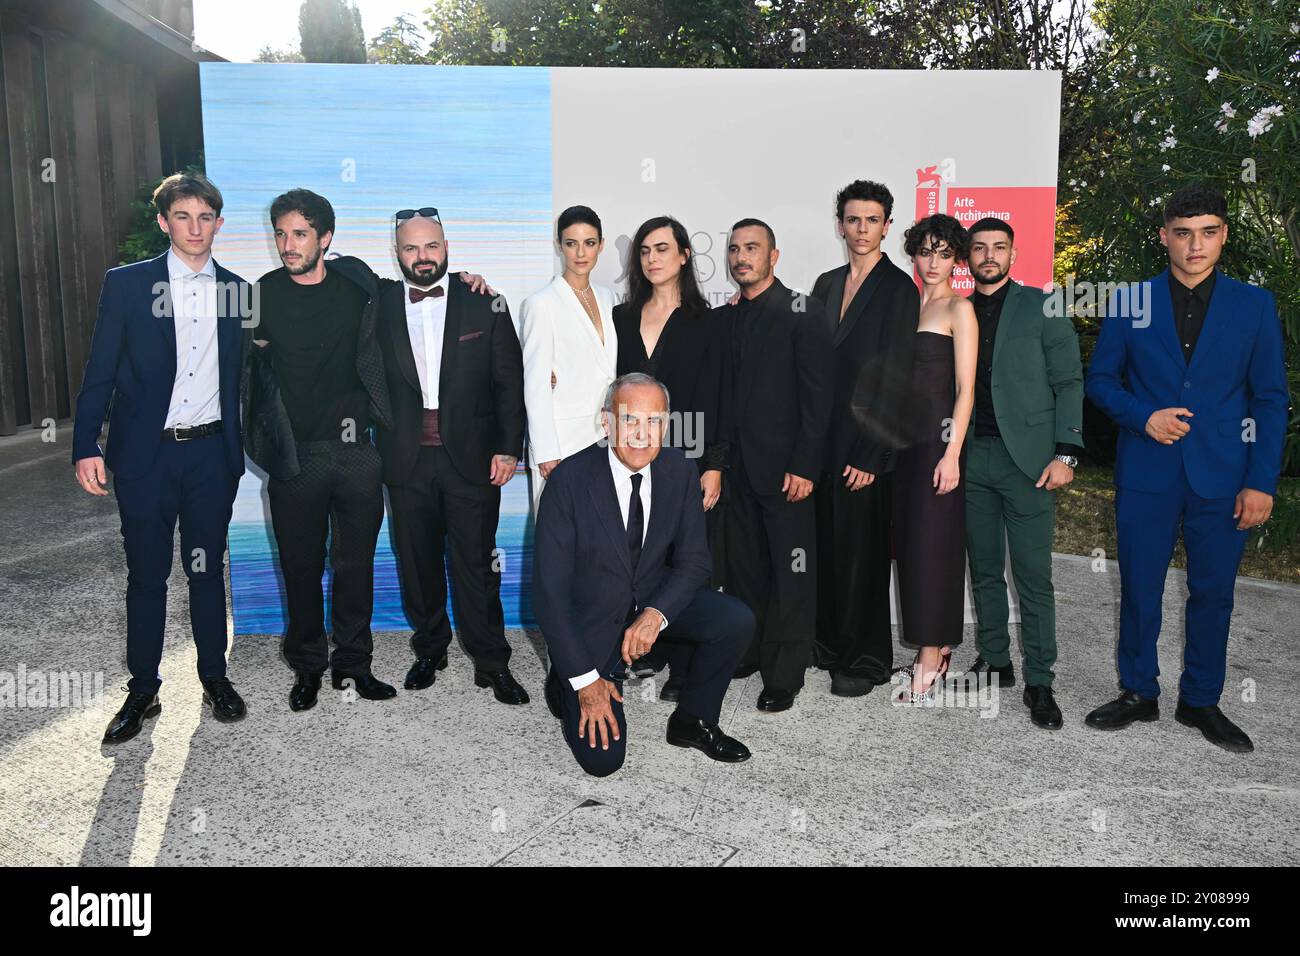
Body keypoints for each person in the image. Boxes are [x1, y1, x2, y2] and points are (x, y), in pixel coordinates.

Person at [1084, 183, 1288, 752]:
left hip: (1225, 475)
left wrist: (1260, 481)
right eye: (1182, 233)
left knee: (1214, 592)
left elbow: (1270, 399)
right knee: (1140, 586)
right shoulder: (1131, 300)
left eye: (1207, 232)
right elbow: (1101, 381)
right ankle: (1138, 693)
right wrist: (1143, 415)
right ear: (1163, 237)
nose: (1195, 245)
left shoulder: (1255, 306)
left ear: (1223, 233)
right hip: (1148, 469)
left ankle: (1200, 700)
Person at [74, 172, 250, 742]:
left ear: (218, 223)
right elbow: (100, 370)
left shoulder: (239, 292)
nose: (195, 229)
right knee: (146, 576)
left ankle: (214, 676)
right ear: (163, 222)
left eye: (206, 217)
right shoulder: (127, 285)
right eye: (183, 217)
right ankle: (143, 690)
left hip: (210, 458)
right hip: (145, 457)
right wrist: (84, 445)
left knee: (204, 571)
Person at [534, 373, 754, 777]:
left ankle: (692, 722)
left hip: (650, 596)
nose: (641, 433)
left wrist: (656, 613)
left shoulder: (678, 469)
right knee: (604, 762)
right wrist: (585, 682)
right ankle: (563, 679)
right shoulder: (568, 482)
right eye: (630, 419)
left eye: (653, 421)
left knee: (734, 619)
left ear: (666, 425)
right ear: (607, 423)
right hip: (592, 620)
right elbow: (550, 596)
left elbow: (694, 562)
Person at [242, 188, 397, 712]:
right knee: (301, 566)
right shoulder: (262, 294)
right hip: (295, 456)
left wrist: (468, 281)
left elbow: (415, 294)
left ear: (325, 238)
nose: (287, 244)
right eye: (281, 234)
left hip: (357, 454)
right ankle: (308, 666)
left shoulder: (359, 285)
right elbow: (238, 364)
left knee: (356, 566)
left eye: (299, 234)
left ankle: (354, 664)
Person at [373, 207, 529, 704]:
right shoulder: (376, 303)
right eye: (411, 248)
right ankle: (429, 649)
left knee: (477, 565)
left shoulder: (487, 302)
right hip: (405, 459)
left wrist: (509, 449)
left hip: (474, 459)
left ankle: (491, 661)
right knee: (416, 563)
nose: (423, 257)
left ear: (447, 248)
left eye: (431, 246)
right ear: (397, 254)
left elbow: (509, 383)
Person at [960, 217, 1084, 730]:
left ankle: (1041, 680)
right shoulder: (956, 309)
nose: (989, 255)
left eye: (999, 247)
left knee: (1033, 576)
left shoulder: (1043, 304)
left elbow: (1070, 382)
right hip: (971, 459)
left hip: (1029, 462)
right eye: (980, 248)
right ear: (968, 256)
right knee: (984, 569)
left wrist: (1066, 455)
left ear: (1013, 253)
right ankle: (995, 660)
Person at [809, 180, 920, 697]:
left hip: (865, 448)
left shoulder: (899, 289)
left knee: (864, 554)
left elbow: (900, 375)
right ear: (840, 225)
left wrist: (873, 453)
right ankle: (829, 646)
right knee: (827, 547)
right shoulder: (826, 284)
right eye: (852, 219)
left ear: (886, 227)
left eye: (871, 220)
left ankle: (868, 658)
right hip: (824, 441)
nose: (861, 229)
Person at [718, 219, 833, 712]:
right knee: (744, 570)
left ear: (774, 256)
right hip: (737, 473)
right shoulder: (728, 317)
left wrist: (805, 465)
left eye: (753, 248)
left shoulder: (802, 312)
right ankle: (748, 651)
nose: (743, 256)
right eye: (735, 249)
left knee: (791, 572)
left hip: (787, 471)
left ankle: (785, 674)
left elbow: (819, 398)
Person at [613, 215, 731, 702]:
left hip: (687, 454)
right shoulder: (621, 316)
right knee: (637, 555)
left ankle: (683, 665)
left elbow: (722, 396)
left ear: (685, 255)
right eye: (645, 251)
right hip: (631, 454)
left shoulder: (709, 322)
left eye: (663, 249)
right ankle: (642, 651)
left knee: (685, 558)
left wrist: (714, 464)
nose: (653, 259)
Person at [892, 214, 977, 702]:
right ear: (914, 253)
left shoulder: (958, 308)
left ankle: (932, 657)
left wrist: (953, 454)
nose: (933, 261)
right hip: (903, 448)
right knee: (911, 550)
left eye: (944, 253)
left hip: (937, 448)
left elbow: (965, 390)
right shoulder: (906, 305)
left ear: (956, 259)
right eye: (926, 251)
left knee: (934, 551)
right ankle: (935, 645)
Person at [519, 205, 618, 511]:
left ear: (601, 245)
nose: (580, 253)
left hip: (605, 437)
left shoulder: (608, 297)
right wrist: (546, 450)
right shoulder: (540, 304)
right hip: (562, 442)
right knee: (560, 540)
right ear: (558, 245)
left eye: (589, 243)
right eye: (571, 243)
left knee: (600, 540)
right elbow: (535, 383)